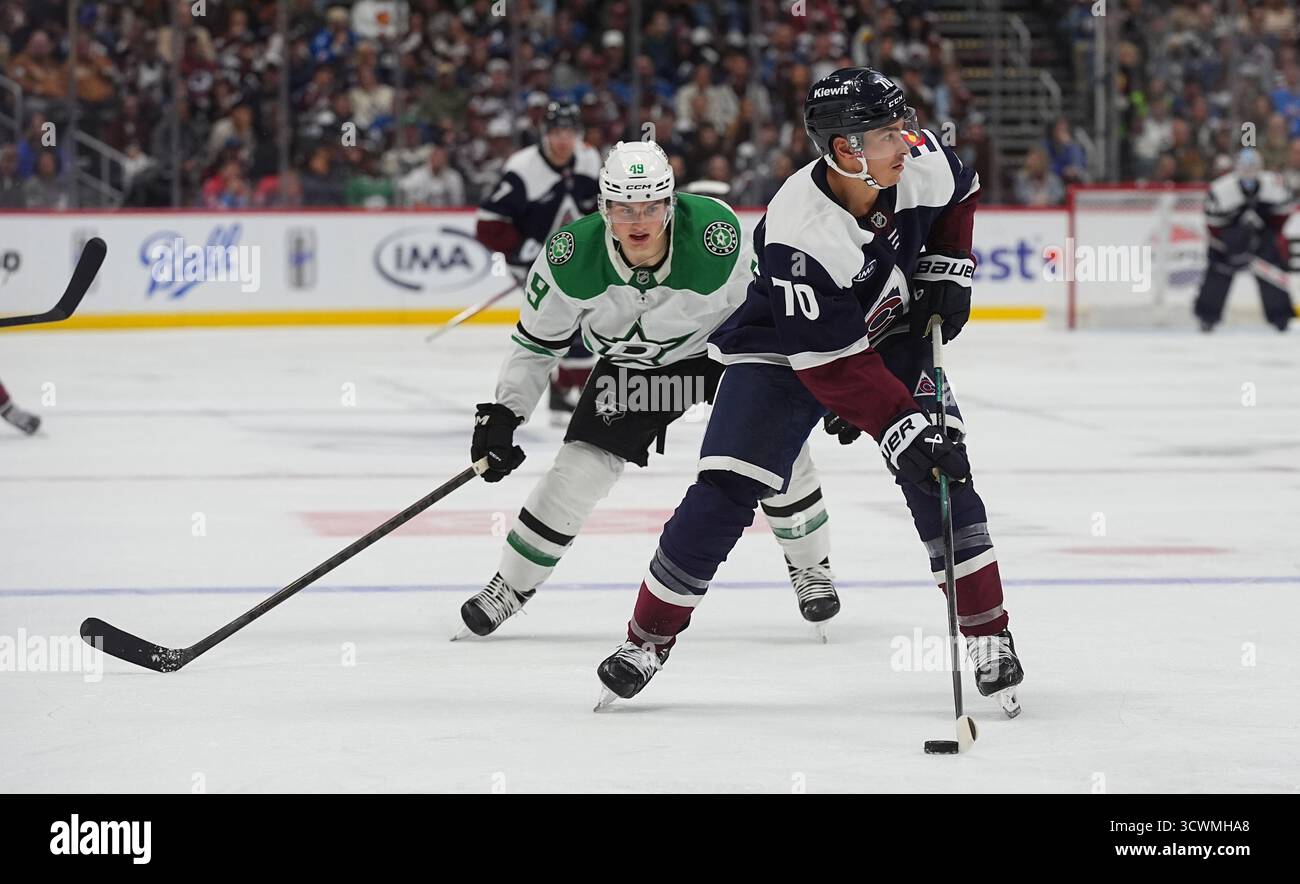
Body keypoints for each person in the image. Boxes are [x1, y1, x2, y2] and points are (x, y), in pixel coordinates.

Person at [594, 69, 1024, 717]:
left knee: (943, 473)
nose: (907, 141)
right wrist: (894, 424)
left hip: (890, 325)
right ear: (846, 150)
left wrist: (948, 268)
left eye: (902, 124)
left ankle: (990, 635)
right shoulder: (801, 229)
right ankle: (647, 640)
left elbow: (962, 187)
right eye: (886, 133)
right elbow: (830, 367)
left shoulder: (919, 161)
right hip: (786, 347)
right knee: (727, 487)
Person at [458, 140, 841, 640]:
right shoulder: (569, 257)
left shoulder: (716, 238)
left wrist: (824, 376)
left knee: (777, 456)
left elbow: (776, 309)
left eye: (650, 207)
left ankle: (811, 567)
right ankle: (509, 586)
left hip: (723, 353)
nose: (637, 222)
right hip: (633, 373)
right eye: (622, 208)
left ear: (671, 205)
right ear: (604, 208)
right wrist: (504, 415)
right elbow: (535, 345)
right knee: (577, 470)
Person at [476, 102, 602, 424]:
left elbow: (601, 211)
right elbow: (488, 224)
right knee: (566, 320)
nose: (563, 140)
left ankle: (566, 390)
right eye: (556, 133)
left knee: (586, 320)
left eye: (569, 133)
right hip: (532, 266)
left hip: (575, 260)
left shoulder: (589, 159)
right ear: (545, 135)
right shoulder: (523, 168)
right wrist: (522, 249)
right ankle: (571, 389)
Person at [1193, 149, 1295, 332]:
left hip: (1262, 235)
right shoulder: (1221, 190)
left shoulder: (1275, 184)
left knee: (1271, 270)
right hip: (1229, 239)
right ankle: (1207, 316)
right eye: (1245, 167)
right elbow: (1213, 226)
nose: (1249, 172)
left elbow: (1283, 214)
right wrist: (1229, 243)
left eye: (1253, 167)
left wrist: (1268, 235)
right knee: (1219, 271)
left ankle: (1281, 317)